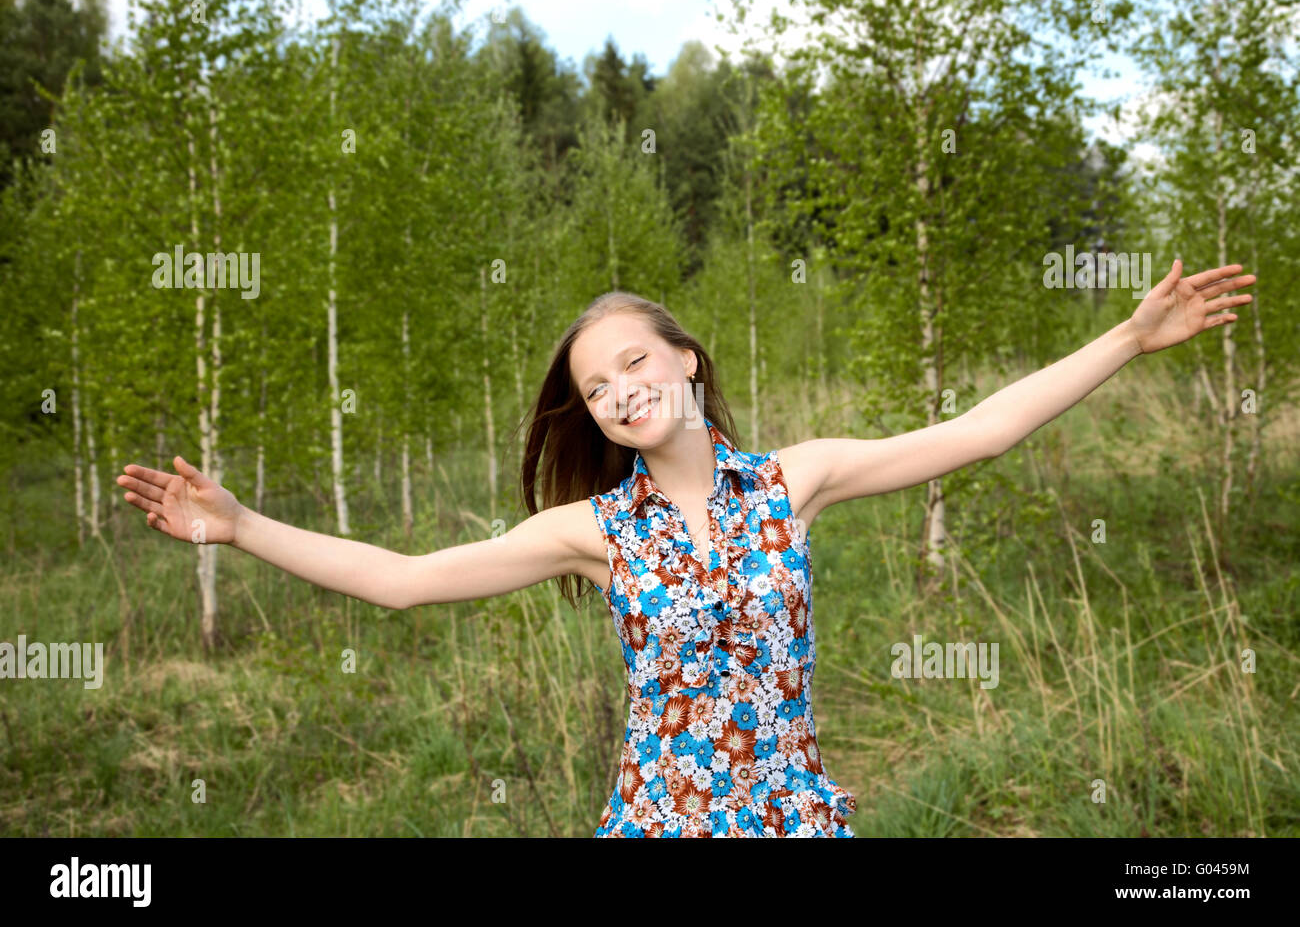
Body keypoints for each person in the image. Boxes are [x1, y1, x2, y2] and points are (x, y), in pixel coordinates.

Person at [117, 259, 1255, 837]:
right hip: (662, 820)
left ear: (688, 360)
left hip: (794, 813)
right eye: (594, 385)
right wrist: (243, 525)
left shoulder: (791, 481)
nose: (618, 390)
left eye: (633, 362)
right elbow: (405, 582)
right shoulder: (593, 534)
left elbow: (974, 430)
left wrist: (1128, 334)